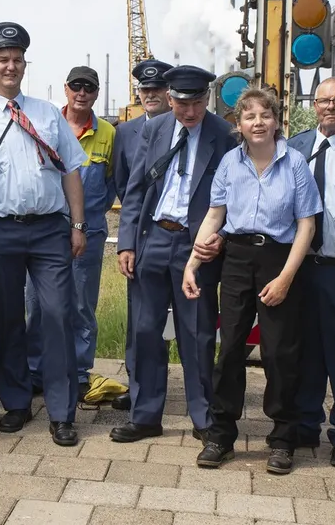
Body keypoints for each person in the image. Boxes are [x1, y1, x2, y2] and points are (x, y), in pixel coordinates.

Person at [182, 85, 320, 472]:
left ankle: (282, 438)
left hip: (280, 257)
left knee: (279, 351)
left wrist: (286, 278)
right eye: (249, 116)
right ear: (238, 124)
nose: (258, 122)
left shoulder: (295, 164)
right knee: (230, 350)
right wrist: (192, 264)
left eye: (265, 115)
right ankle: (221, 434)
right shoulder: (229, 163)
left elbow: (306, 225)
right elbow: (215, 216)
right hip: (237, 258)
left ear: (276, 121)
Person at [0, 22, 87, 447]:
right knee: (9, 319)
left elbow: (71, 170)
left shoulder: (48, 113)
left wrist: (77, 225)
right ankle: (16, 403)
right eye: (3, 60)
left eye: (18, 60)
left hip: (50, 231)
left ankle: (61, 411)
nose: (11, 66)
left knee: (56, 316)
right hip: (1, 232)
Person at [111, 65, 234, 446]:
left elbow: (239, 196)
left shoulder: (225, 136)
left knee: (196, 333)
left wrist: (222, 238)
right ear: (169, 98)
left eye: (198, 103)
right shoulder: (155, 128)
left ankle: (203, 416)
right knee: (146, 331)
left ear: (207, 99)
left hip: (196, 248)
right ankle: (146, 415)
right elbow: (134, 190)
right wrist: (127, 242)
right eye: (183, 103)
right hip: (153, 241)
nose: (191, 112)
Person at [25, 66, 124, 403]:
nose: (82, 93)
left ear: (96, 93)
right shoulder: (47, 124)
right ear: (66, 89)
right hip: (46, 231)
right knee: (37, 304)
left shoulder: (109, 133)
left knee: (81, 305)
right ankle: (35, 371)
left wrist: (89, 219)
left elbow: (113, 183)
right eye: (77, 87)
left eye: (89, 88)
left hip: (90, 233)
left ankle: (79, 373)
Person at [287, 77, 335, 469]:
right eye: (324, 100)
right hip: (302, 269)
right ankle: (304, 423)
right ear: (313, 105)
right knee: (304, 350)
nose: (331, 107)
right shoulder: (297, 146)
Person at [108, 58, 173, 412]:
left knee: (181, 317)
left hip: (179, 237)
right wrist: (130, 236)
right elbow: (124, 184)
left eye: (157, 89)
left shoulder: (183, 125)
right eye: (145, 90)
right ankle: (137, 387)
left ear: (168, 92)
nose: (151, 95)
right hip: (144, 237)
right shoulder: (125, 132)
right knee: (140, 319)